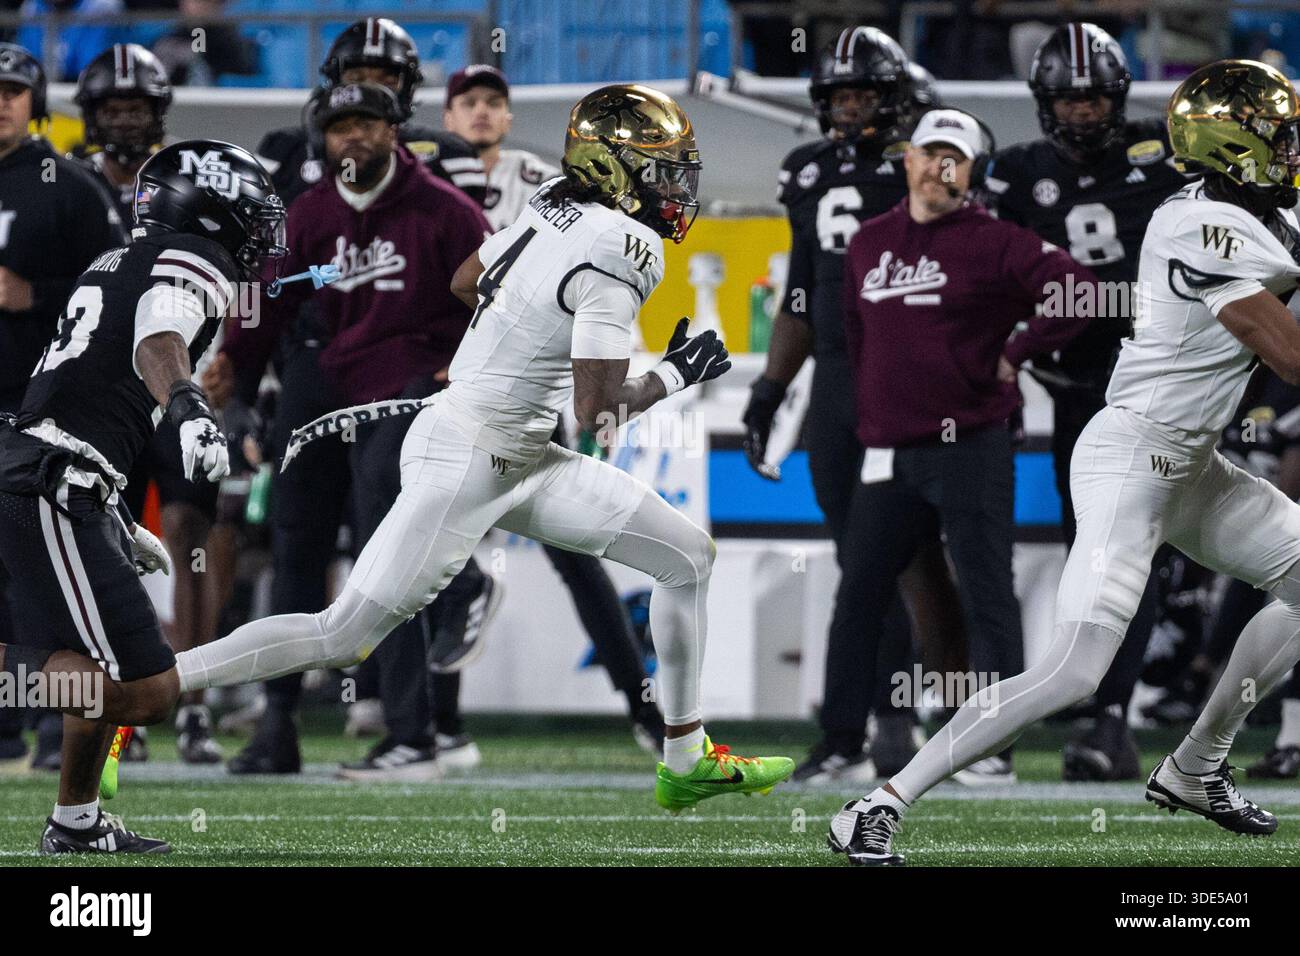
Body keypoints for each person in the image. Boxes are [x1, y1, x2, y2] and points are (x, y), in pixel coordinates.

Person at [18, 84, 797, 814]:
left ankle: (685, 756)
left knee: (687, 555)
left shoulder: (557, 203)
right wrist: (675, 372)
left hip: (516, 449)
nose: (675, 188)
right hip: (470, 455)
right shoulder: (627, 245)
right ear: (617, 168)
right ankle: (135, 703)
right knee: (342, 631)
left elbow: (466, 280)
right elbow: (599, 416)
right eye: (663, 171)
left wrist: (517, 347)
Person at [830, 60, 1300, 865]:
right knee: (1074, 672)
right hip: (1131, 457)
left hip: (1190, 462)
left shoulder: (1263, 204)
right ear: (1235, 145)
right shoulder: (1198, 224)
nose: (1294, 148)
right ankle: (877, 803)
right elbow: (1289, 355)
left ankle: (1195, 766)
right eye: (1281, 134)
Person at [223, 18, 493, 775]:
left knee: (387, 543)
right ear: (324, 132)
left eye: (367, 123)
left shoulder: (448, 209)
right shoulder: (306, 214)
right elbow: (260, 306)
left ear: (394, 128)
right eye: (340, 125)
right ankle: (278, 723)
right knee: (295, 540)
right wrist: (240, 393)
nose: (353, 138)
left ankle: (414, 731)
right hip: (325, 381)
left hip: (414, 390)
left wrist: (465, 374)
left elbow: (505, 300)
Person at [0, 139, 286, 853]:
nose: (258, 237)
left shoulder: (116, 259)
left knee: (97, 666)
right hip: (49, 482)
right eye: (251, 216)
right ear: (213, 209)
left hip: (54, 471)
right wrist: (189, 405)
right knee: (148, 688)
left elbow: (81, 388)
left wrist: (117, 510)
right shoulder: (195, 260)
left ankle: (76, 822)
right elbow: (158, 337)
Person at [742, 26, 965, 784]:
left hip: (909, 377)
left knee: (915, 559)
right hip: (836, 380)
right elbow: (800, 293)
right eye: (839, 95)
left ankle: (921, 720)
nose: (850, 108)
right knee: (858, 559)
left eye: (865, 93)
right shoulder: (806, 170)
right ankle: (859, 729)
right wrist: (771, 390)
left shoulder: (928, 165)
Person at [983, 22, 1190, 781]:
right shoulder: (1013, 175)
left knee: (1142, 552)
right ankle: (1104, 706)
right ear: (1043, 103)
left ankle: (1119, 709)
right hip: (1073, 392)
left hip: (1161, 392)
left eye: (1094, 98)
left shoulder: (1164, 158)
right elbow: (986, 280)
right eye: (1067, 101)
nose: (1081, 114)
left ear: (1120, 97)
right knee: (1097, 552)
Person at [441, 62, 665, 752]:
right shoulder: (428, 182)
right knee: (448, 552)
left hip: (535, 382)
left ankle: (641, 704)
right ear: (449, 116)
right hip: (459, 378)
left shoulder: (549, 184)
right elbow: (453, 283)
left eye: (493, 102)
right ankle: (438, 722)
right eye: (468, 102)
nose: (481, 113)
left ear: (510, 117)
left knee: (568, 552)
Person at [0, 41, 126, 770]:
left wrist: (35, 298)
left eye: (15, 90)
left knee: (46, 574)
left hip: (39, 411)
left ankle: (61, 732)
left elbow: (114, 298)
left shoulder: (72, 186)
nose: (2, 101)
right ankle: (7, 729)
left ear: (38, 101)